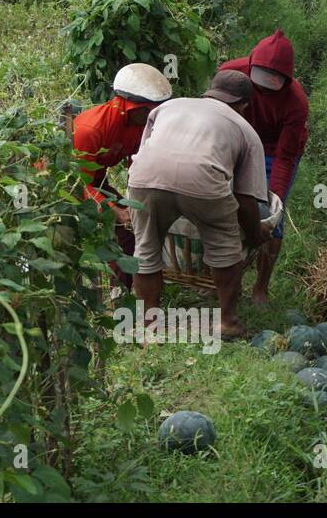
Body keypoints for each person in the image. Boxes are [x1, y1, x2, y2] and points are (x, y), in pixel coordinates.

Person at [127, 70, 271, 339]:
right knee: (226, 247)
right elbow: (246, 200)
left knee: (145, 250)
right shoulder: (246, 130)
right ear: (243, 105)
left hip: (144, 178)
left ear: (210, 91)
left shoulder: (167, 107)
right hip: (202, 182)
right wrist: (255, 235)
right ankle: (227, 321)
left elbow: (147, 150)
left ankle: (149, 325)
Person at [219, 29, 309, 304]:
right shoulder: (230, 74)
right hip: (235, 142)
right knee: (220, 207)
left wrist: (275, 200)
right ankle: (218, 278)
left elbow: (284, 157)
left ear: (286, 80)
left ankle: (261, 286)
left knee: (272, 218)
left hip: (272, 151)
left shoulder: (296, 102)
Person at [72, 63, 173, 289]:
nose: (152, 117)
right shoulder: (90, 130)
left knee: (128, 233)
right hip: (65, 185)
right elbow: (76, 182)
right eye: (148, 111)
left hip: (95, 180)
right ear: (130, 107)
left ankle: (122, 292)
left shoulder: (141, 125)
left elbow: (137, 168)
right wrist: (115, 210)